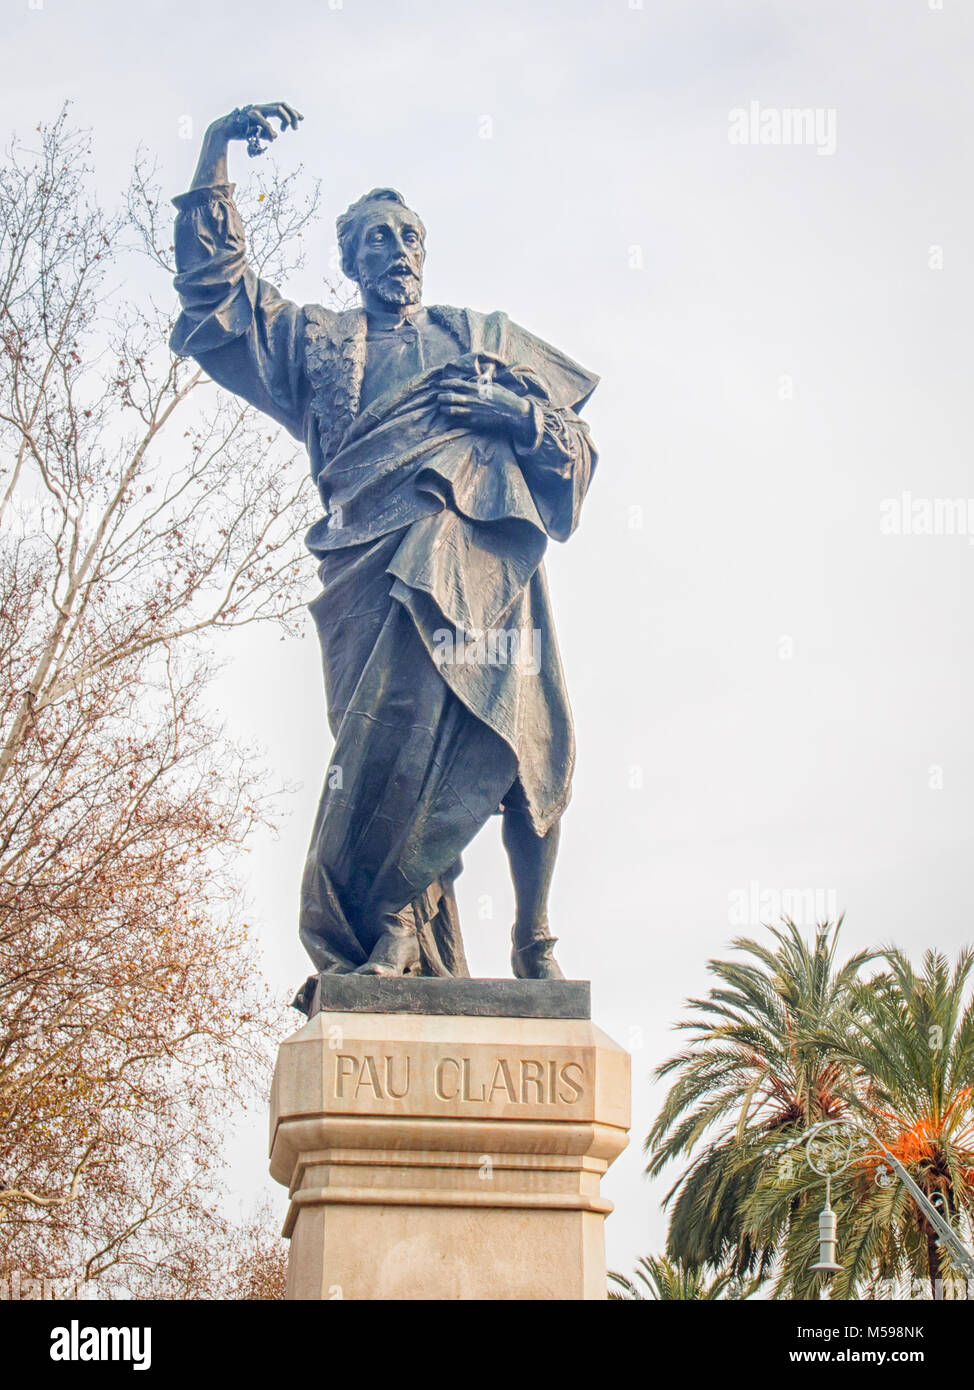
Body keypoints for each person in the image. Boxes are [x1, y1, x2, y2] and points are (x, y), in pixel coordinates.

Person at [171, 103, 599, 993]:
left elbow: (578, 448)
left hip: (484, 566)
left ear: (424, 252)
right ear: (350, 261)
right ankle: (399, 922)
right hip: (369, 572)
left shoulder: (482, 339)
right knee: (387, 760)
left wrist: (515, 414)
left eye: (407, 236)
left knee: (521, 739)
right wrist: (214, 156)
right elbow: (223, 304)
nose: (395, 250)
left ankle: (536, 936)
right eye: (374, 239)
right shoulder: (320, 345)